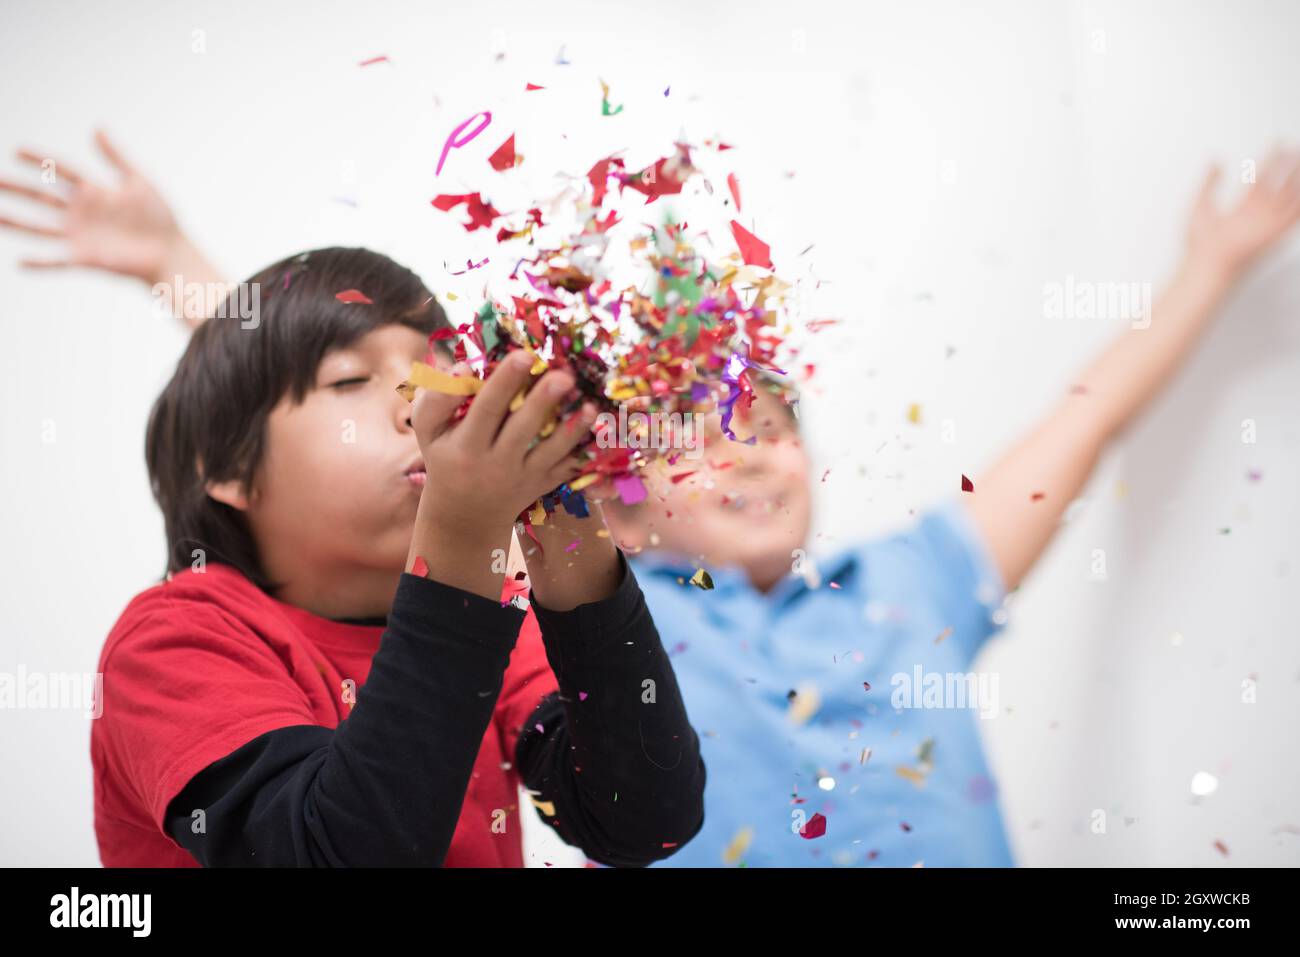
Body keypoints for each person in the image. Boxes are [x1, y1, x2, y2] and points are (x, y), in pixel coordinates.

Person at [6, 132, 1298, 866]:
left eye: (773, 425)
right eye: (696, 431)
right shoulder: (531, 608)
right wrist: (187, 272)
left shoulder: (904, 590)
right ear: (619, 490)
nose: (747, 452)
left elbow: (1078, 424)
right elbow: (305, 412)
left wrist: (1209, 269)